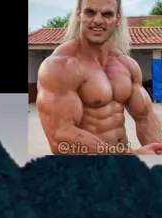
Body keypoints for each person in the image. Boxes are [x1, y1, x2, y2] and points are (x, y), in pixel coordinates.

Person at [36, 0, 162, 155]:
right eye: (90, 12)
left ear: (117, 18)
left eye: (107, 14)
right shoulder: (60, 67)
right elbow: (59, 137)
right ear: (79, 14)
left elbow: (145, 118)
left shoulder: (127, 65)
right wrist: (132, 155)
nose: (97, 20)